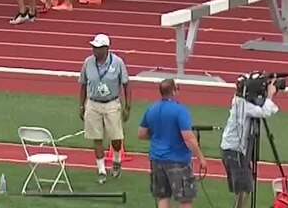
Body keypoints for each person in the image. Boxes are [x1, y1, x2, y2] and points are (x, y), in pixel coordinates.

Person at [139, 79, 206, 208]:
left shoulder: (151, 109)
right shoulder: (180, 111)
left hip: (157, 159)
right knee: (185, 199)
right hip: (178, 160)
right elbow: (188, 138)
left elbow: (142, 134)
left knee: (163, 197)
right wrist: (201, 158)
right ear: (174, 91)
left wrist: (159, 136)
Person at [219, 75, 280, 208]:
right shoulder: (243, 105)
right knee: (244, 189)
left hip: (232, 150)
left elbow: (269, 110)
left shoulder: (240, 102)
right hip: (235, 151)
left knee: (243, 189)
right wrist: (269, 95)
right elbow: (265, 112)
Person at [80, 33, 131, 183]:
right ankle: (101, 170)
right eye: (93, 47)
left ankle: (116, 161)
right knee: (97, 138)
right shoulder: (88, 62)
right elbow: (83, 84)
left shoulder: (118, 62)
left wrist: (128, 105)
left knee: (116, 137)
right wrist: (81, 105)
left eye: (97, 48)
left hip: (112, 103)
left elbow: (126, 84)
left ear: (106, 48)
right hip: (93, 103)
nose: (94, 50)